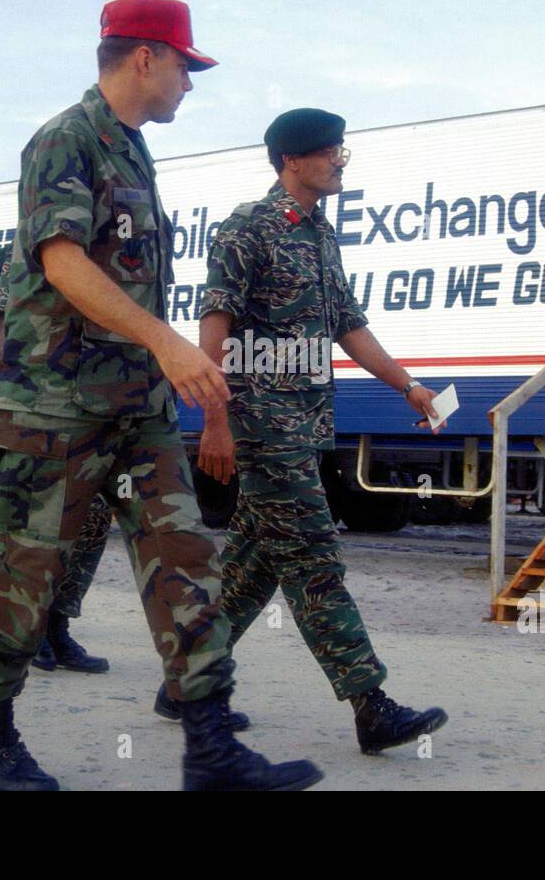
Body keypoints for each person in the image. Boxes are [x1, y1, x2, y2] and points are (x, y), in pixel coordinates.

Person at [0, 0, 322, 792]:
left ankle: (210, 746)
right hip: (52, 404)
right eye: (187, 67)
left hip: (135, 408)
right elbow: (63, 262)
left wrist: (156, 360)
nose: (191, 84)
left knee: (186, 558)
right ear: (147, 57)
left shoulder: (133, 151)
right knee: (20, 569)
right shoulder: (65, 139)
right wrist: (166, 339)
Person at [189, 107, 449, 754]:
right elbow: (214, 322)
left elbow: (348, 325)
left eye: (343, 151)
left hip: (304, 426)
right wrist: (214, 420)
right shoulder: (247, 228)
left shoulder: (321, 235)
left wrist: (409, 386)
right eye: (331, 151)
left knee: (253, 565)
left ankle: (187, 679)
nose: (339, 161)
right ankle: (370, 704)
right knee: (313, 560)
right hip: (261, 425)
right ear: (292, 160)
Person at [0, 246, 111, 672]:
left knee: (90, 517)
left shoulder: (58, 311)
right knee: (3, 522)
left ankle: (55, 623)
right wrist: (34, 382)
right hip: (4, 430)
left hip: (58, 432)